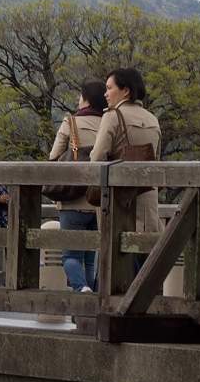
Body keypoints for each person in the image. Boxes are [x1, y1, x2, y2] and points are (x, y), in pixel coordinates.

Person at [91, 68, 166, 283]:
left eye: (109, 88)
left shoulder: (112, 116)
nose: (106, 93)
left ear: (125, 91)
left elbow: (97, 157)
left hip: (119, 202)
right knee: (143, 264)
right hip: (147, 201)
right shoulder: (153, 119)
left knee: (114, 264)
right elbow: (157, 160)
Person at [48, 81, 107, 293]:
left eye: (81, 96)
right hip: (99, 200)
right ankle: (89, 300)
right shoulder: (108, 122)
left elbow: (54, 156)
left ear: (87, 99)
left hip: (73, 200)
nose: (78, 100)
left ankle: (81, 288)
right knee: (90, 259)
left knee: (71, 256)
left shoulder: (71, 122)